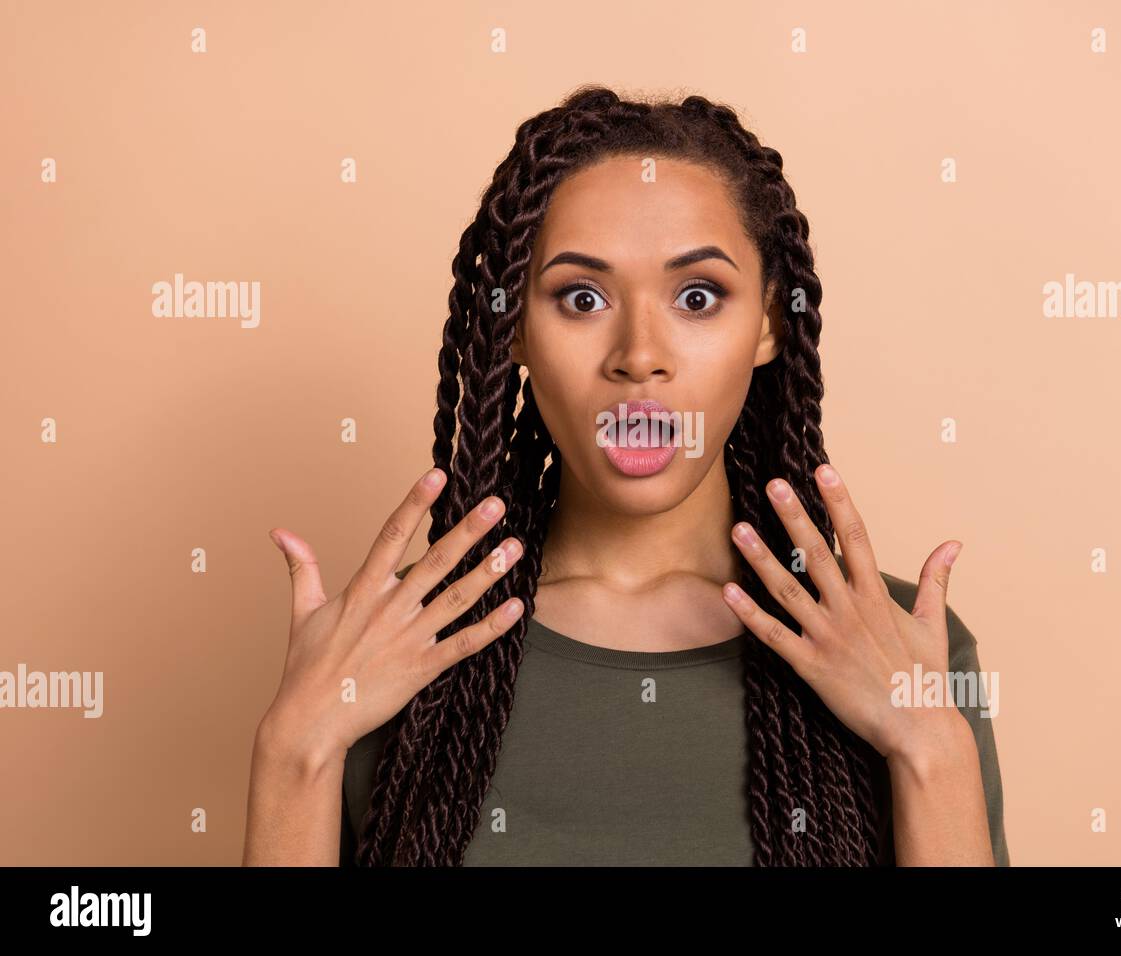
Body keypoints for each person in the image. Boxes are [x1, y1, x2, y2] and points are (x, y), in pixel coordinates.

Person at [242, 85, 1009, 867]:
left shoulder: (906, 648)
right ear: (513, 330)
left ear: (771, 324)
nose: (639, 353)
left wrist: (930, 751)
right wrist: (292, 748)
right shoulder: (391, 649)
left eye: (698, 297)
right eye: (581, 297)